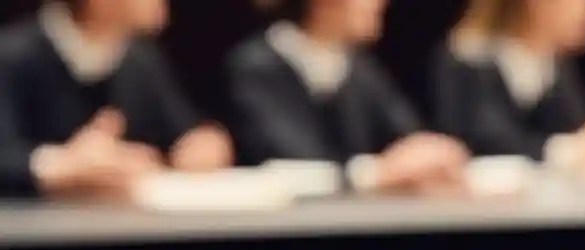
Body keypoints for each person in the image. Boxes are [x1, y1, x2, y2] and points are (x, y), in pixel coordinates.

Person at [228, 0, 470, 193]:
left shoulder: (360, 69)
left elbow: (406, 135)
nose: (379, 3)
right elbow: (293, 157)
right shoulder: (258, 67)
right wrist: (374, 174)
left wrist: (430, 153)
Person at [0, 0, 232, 198]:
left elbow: (184, 131)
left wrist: (201, 143)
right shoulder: (13, 57)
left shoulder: (138, 58)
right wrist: (59, 165)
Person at [433, 0, 585, 167]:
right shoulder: (469, 61)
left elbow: (576, 127)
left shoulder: (554, 64)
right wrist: (571, 151)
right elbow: (489, 143)